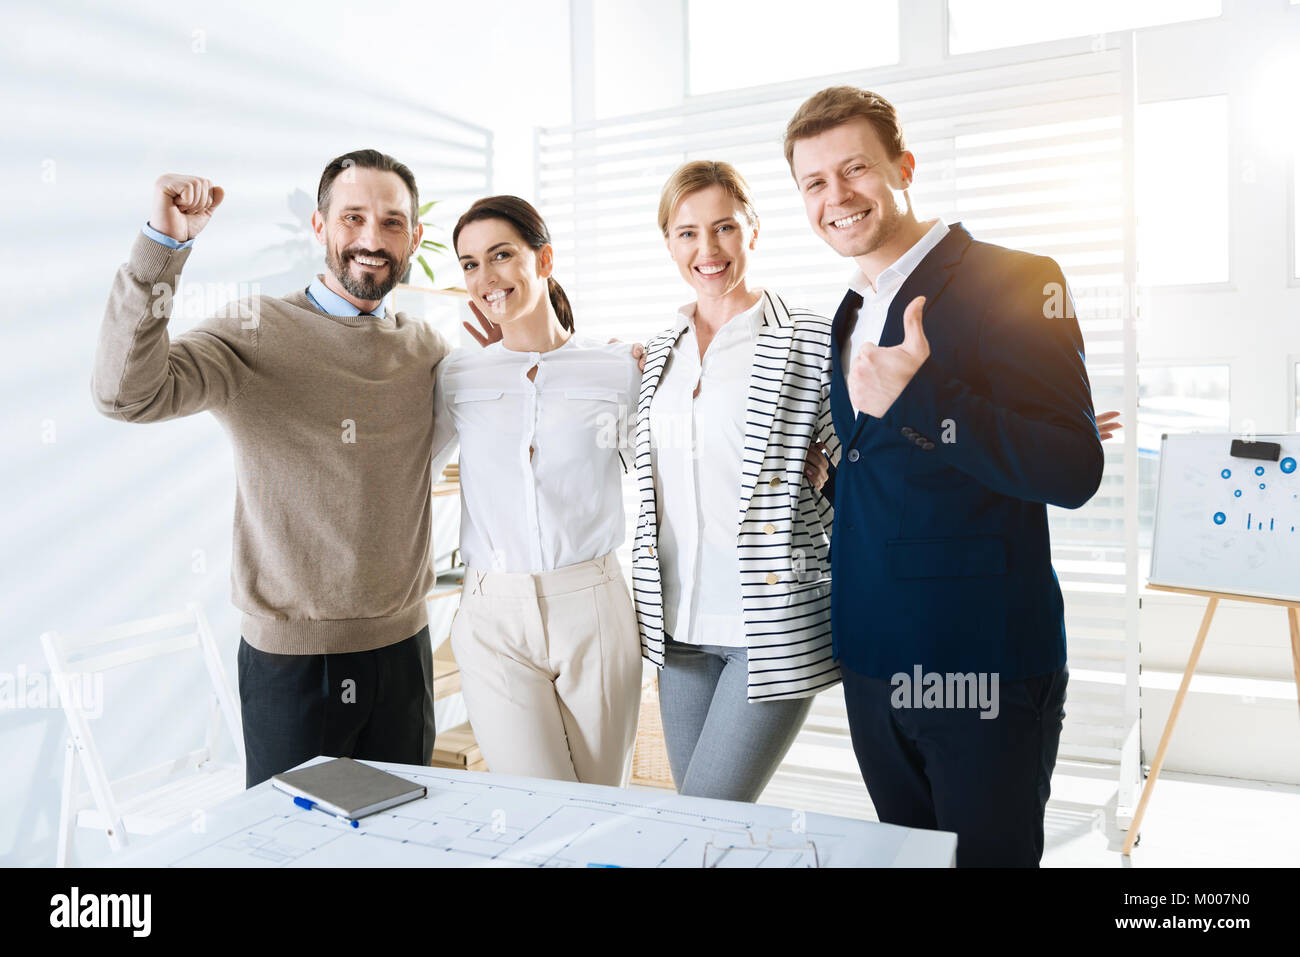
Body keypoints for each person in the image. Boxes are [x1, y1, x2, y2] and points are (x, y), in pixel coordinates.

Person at [783, 85, 1115, 866]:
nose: (837, 197)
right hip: (870, 660)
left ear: (903, 164)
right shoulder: (849, 309)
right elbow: (905, 473)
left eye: (855, 168)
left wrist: (924, 396)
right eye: (814, 183)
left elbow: (1073, 468)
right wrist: (833, 480)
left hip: (984, 665)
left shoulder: (1018, 278)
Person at [91, 151, 448, 788]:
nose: (371, 239)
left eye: (392, 223)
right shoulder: (258, 332)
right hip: (293, 665)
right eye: (353, 218)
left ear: (415, 238)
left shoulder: (424, 349)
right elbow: (126, 395)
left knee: (404, 848)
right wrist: (162, 249)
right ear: (319, 226)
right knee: (297, 852)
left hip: (403, 652)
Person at [631, 161, 841, 802]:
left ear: (754, 229)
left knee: (709, 810)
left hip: (767, 627)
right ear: (669, 242)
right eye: (687, 233)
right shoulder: (656, 350)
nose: (708, 250)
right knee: (703, 825)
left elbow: (872, 477)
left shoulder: (813, 339)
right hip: (677, 632)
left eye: (724, 227)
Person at [431, 196, 643, 787]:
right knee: (532, 804)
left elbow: (668, 474)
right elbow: (406, 473)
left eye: (501, 255)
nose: (486, 277)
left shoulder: (619, 368)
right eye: (470, 264)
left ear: (543, 259)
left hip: (593, 608)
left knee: (600, 805)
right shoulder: (456, 377)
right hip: (491, 615)